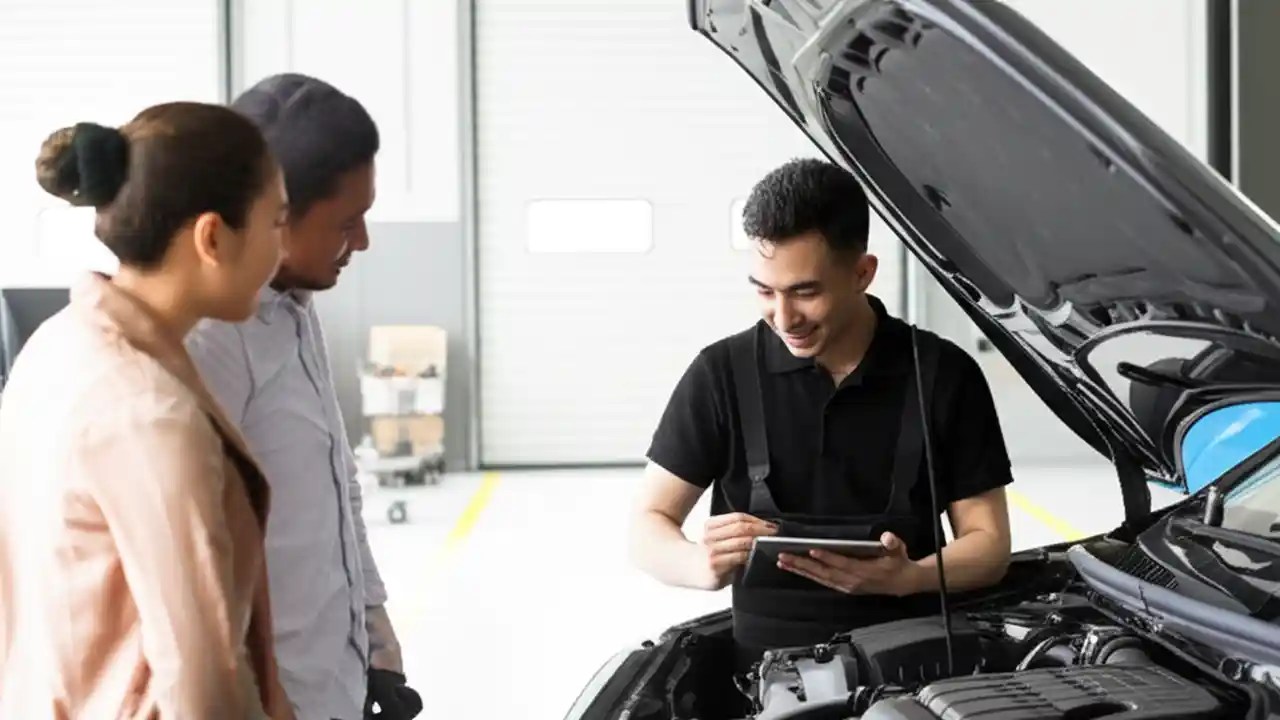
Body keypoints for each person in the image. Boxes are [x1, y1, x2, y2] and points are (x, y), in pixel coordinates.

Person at [630, 158, 1014, 667]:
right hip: (764, 677)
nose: (783, 318)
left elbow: (989, 545)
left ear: (862, 273)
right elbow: (647, 525)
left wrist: (913, 577)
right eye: (765, 291)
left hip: (916, 668)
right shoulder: (720, 373)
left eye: (805, 292)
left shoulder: (943, 374)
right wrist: (697, 563)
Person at [0, 103, 294, 718]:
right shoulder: (150, 416)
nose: (282, 248)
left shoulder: (56, 347)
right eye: (277, 221)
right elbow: (203, 678)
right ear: (213, 237)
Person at [185, 73, 420, 720]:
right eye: (347, 223)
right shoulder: (211, 341)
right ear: (275, 216)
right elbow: (198, 569)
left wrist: (376, 635)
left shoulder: (296, 305)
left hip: (336, 682)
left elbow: (335, 482)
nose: (364, 242)